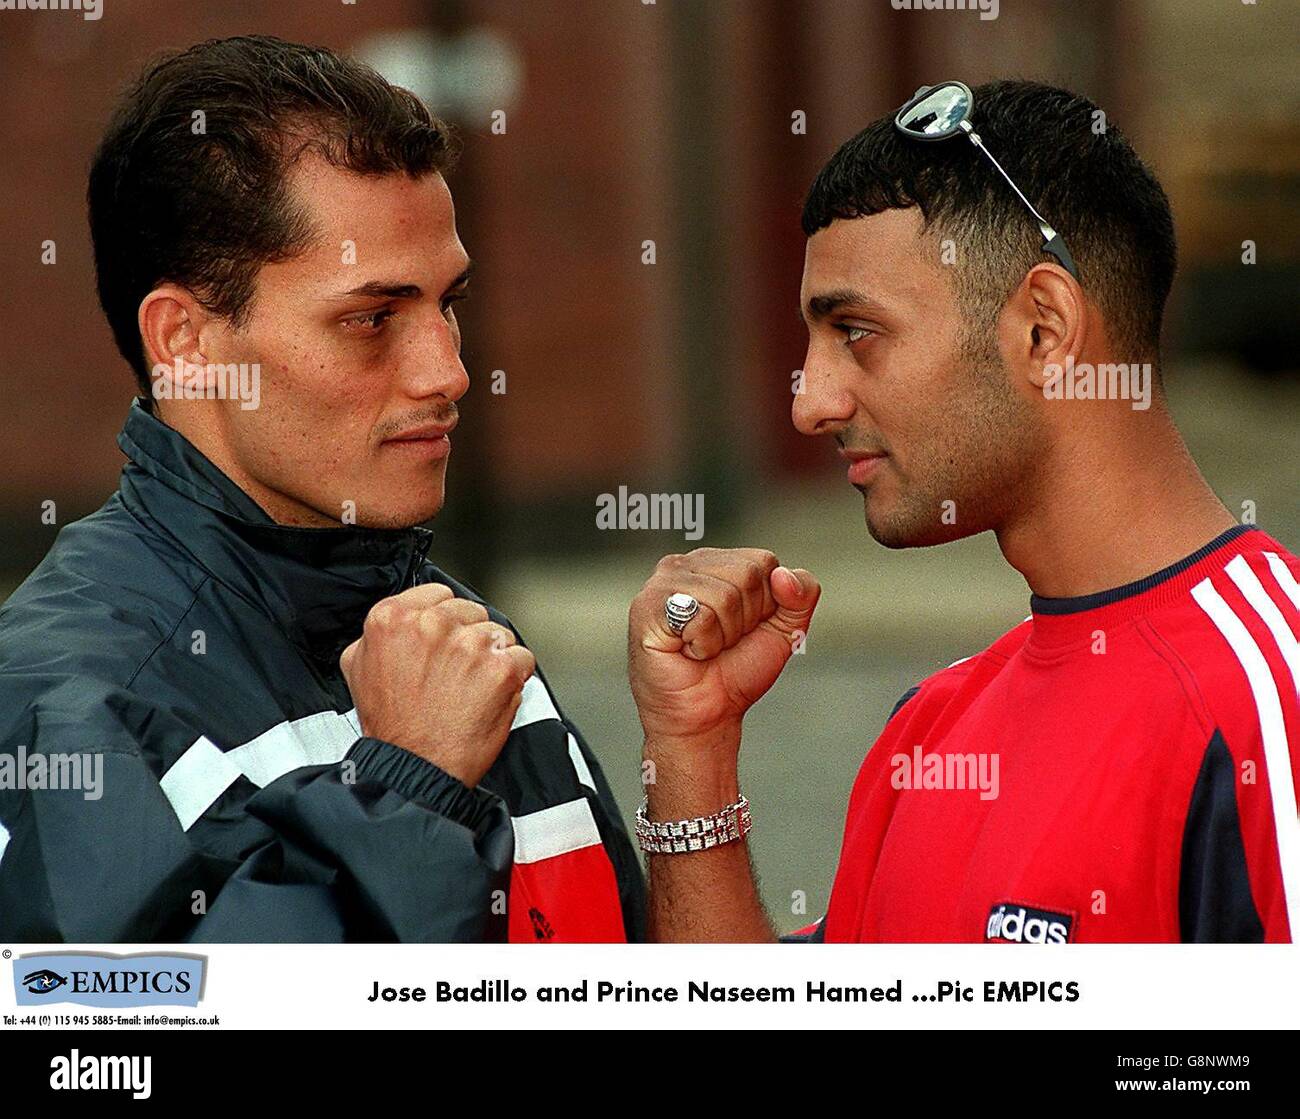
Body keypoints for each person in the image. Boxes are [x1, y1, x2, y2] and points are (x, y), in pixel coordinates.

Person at [0, 35, 643, 943]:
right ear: (186, 342)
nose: (448, 373)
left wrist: (693, 768)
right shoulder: (70, 710)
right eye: (371, 318)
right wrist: (406, 790)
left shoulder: (447, 630)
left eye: (447, 305)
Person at [627, 79, 1299, 943]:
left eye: (855, 330)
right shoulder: (932, 730)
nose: (812, 403)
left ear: (1044, 330)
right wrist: (691, 754)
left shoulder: (1266, 702)